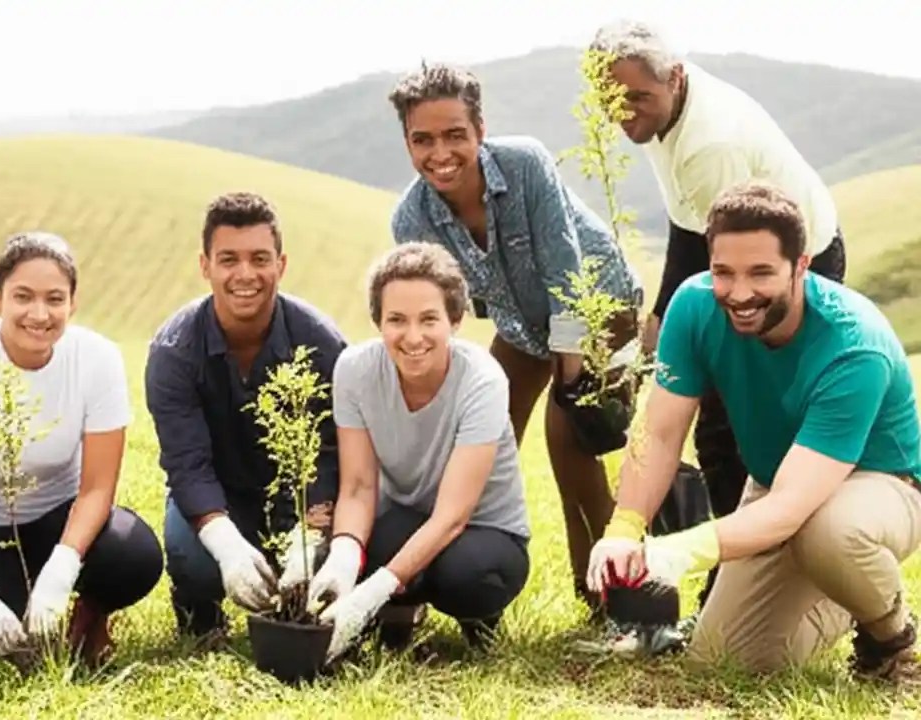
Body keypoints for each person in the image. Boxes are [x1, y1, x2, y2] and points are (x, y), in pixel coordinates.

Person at [587, 182, 921, 683]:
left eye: (761, 272)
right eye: (724, 272)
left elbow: (791, 508)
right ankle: (843, 589)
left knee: (830, 531)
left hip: (879, 485)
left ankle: (891, 639)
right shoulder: (695, 305)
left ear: (801, 266)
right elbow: (658, 434)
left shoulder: (855, 347)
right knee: (724, 660)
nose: (739, 293)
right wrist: (622, 531)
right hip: (778, 484)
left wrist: (679, 550)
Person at [589, 20, 848, 605]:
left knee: (732, 421)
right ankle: (740, 567)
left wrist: (664, 343)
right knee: (720, 420)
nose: (625, 112)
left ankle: (750, 571)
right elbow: (688, 231)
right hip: (737, 258)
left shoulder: (711, 145)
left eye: (638, 98)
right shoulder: (666, 112)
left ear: (673, 78)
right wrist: (656, 331)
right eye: (612, 99)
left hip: (791, 267)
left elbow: (724, 256)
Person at [387, 63, 644, 620]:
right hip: (522, 328)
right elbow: (435, 314)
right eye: (422, 139)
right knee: (477, 435)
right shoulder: (411, 217)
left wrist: (572, 381)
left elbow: (564, 270)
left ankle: (607, 599)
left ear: (480, 128)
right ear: (407, 142)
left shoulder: (524, 162)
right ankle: (462, 588)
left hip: (599, 308)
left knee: (569, 438)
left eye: (455, 134)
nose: (440, 152)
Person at [0, 231, 163, 667]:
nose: (39, 314)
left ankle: (88, 615)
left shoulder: (97, 359)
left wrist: (62, 571)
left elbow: (97, 489)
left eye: (54, 298)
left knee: (135, 555)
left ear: (73, 302)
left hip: (58, 518)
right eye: (23, 296)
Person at [310, 242, 531, 661]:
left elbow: (453, 517)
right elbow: (357, 487)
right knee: (367, 548)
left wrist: (369, 593)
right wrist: (342, 556)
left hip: (483, 532)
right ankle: (401, 612)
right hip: (408, 515)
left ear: (456, 320)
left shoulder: (483, 381)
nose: (413, 337)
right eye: (397, 320)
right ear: (378, 322)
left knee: (466, 575)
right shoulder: (354, 370)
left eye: (429, 319)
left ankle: (477, 617)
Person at [146, 191, 347, 645]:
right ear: (205, 266)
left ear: (281, 264)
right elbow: (186, 463)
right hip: (217, 497)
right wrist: (226, 545)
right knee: (193, 555)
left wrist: (310, 532)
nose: (245, 274)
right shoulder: (173, 351)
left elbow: (334, 452)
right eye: (228, 259)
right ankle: (200, 613)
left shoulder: (323, 344)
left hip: (296, 502)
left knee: (327, 560)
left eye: (260, 258)